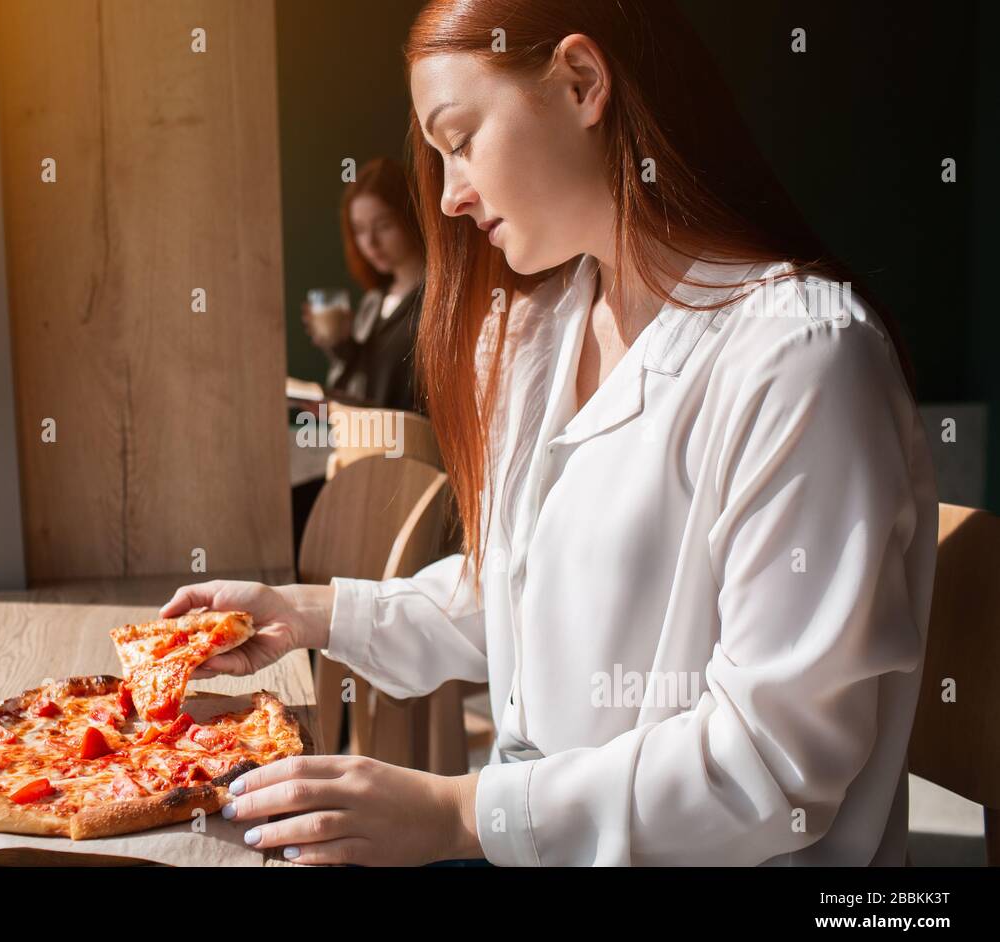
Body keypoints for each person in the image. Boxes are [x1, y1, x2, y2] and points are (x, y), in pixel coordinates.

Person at [166, 0, 938, 866]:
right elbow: (522, 598)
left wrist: (461, 813)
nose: (451, 196)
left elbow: (771, 769)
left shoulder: (802, 355)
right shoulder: (545, 329)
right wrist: (310, 615)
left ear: (581, 83)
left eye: (460, 140)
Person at [300, 157, 426, 413]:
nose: (370, 242)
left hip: (410, 447)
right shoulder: (373, 301)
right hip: (368, 444)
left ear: (411, 216)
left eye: (383, 226)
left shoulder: (436, 299)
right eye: (358, 230)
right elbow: (365, 383)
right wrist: (340, 344)